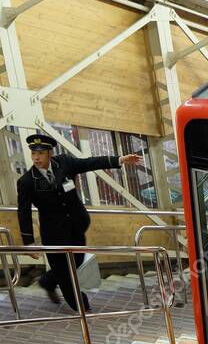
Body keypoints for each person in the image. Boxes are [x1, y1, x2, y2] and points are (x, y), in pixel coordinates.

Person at [17, 132, 142, 312]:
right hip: (53, 234)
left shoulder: (65, 163)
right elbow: (24, 212)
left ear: (50, 153)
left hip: (77, 225)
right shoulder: (27, 182)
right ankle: (81, 305)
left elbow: (88, 163)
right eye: (33, 153)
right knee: (65, 272)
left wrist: (120, 159)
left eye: (41, 153)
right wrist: (29, 243)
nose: (36, 158)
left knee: (75, 262)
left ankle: (48, 280)